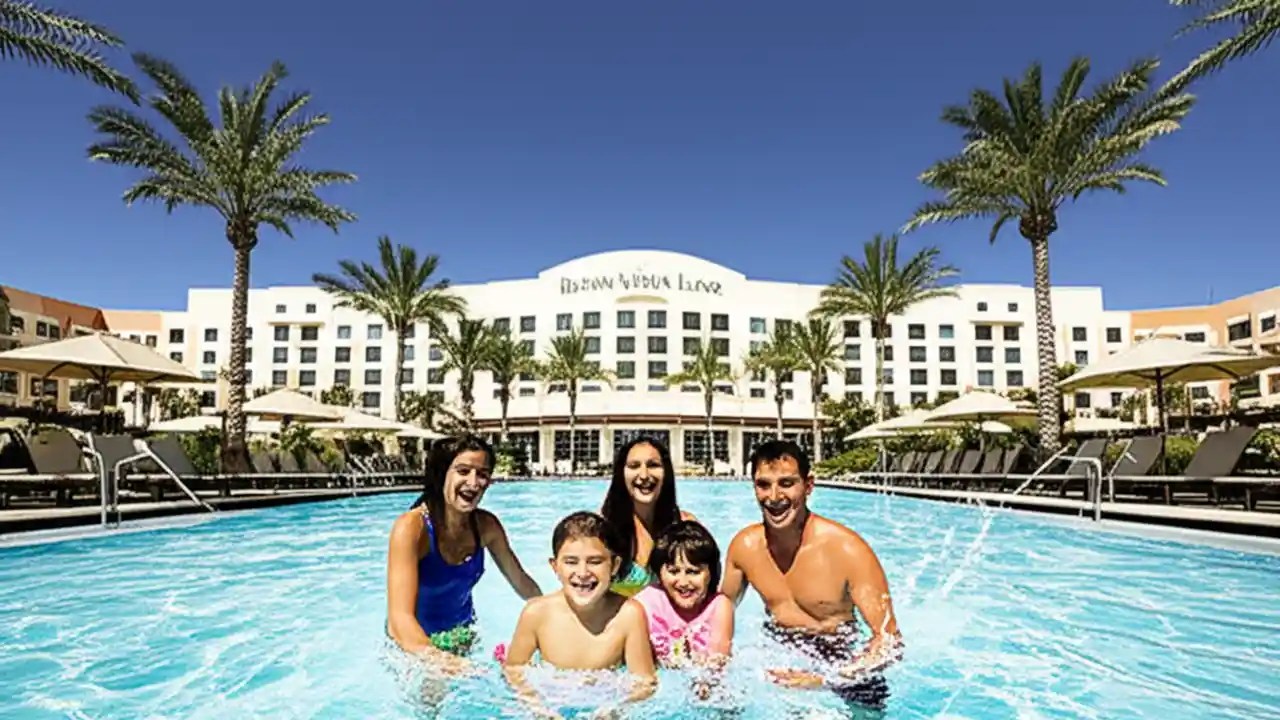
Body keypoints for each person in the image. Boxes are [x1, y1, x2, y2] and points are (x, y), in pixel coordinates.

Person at [720, 439, 903, 709]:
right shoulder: (745, 547)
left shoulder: (847, 550)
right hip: (776, 654)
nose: (773, 497)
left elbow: (889, 641)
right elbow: (718, 612)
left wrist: (826, 680)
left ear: (808, 486)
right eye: (763, 484)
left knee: (871, 702)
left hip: (840, 664)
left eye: (786, 483)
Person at [386, 434, 542, 674]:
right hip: (414, 644)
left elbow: (522, 582)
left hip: (462, 635)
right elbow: (400, 619)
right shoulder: (411, 529)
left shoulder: (486, 526)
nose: (474, 482)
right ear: (441, 474)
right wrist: (447, 663)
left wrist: (558, 616)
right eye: (463, 471)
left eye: (482, 473)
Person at [503, 511, 656, 717]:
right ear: (555, 567)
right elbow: (513, 670)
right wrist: (537, 707)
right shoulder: (537, 613)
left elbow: (645, 682)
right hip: (551, 703)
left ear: (614, 566)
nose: (583, 573)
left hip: (605, 705)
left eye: (595, 561)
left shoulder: (628, 615)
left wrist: (615, 710)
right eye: (571, 561)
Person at [600, 436, 696, 597]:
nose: (644, 475)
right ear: (621, 474)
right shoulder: (603, 527)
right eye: (634, 466)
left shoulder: (685, 525)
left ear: (666, 473)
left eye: (653, 465)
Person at [634, 520, 734, 668]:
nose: (683, 582)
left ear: (711, 573)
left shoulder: (718, 606)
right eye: (673, 571)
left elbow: (717, 666)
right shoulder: (645, 604)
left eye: (693, 572)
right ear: (659, 573)